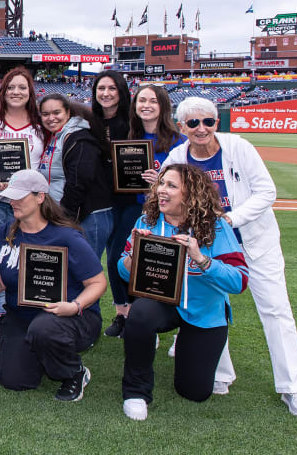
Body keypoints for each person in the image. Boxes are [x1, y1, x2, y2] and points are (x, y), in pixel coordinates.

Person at [163, 97, 297, 419]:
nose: (201, 128)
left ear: (217, 123)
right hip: (208, 247)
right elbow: (170, 199)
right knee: (212, 304)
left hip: (255, 241)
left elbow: (266, 192)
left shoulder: (239, 147)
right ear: (181, 127)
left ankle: (294, 388)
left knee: (276, 309)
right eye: (193, 123)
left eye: (208, 121)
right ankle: (219, 374)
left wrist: (230, 220)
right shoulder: (178, 156)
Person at [118, 164, 249, 421]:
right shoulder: (147, 221)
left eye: (171, 186)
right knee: (140, 314)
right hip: (162, 304)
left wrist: (201, 258)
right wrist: (135, 254)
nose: (161, 191)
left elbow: (239, 281)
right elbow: (124, 272)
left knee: (194, 391)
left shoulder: (216, 227)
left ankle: (186, 346)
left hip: (203, 311)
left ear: (190, 194)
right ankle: (136, 393)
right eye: (161, 184)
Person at [0, 169, 107, 401]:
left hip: (67, 317)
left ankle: (74, 372)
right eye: (11, 196)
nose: (13, 202)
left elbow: (98, 282)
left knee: (45, 329)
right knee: (14, 380)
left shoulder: (66, 236)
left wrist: (74, 306)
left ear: (40, 197)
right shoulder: (6, 232)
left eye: (20, 197)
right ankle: (43, 353)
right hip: (21, 316)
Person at [105, 85, 185, 338]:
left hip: (167, 212)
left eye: (152, 101)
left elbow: (187, 182)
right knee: (119, 258)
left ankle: (171, 323)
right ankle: (126, 314)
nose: (146, 105)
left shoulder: (177, 142)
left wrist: (160, 183)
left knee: (165, 263)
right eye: (141, 101)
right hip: (131, 206)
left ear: (163, 106)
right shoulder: (130, 138)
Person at [0, 66, 44, 337]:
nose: (16, 92)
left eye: (22, 87)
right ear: (3, 90)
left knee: (27, 257)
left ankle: (26, 309)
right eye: (11, 87)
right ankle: (1, 314)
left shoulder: (40, 123)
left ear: (30, 92)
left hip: (27, 205)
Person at [36, 94, 113, 260]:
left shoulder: (79, 138)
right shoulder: (55, 137)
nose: (51, 118)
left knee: (84, 274)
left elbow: (79, 181)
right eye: (45, 114)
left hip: (86, 216)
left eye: (56, 112)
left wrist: (64, 216)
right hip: (63, 214)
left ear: (68, 112)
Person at [90, 70, 135, 338]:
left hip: (131, 199)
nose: (105, 93)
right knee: (111, 258)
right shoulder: (90, 120)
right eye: (101, 88)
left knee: (121, 255)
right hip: (102, 200)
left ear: (120, 91)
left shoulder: (132, 121)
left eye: (111, 88)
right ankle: (122, 313)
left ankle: (131, 312)